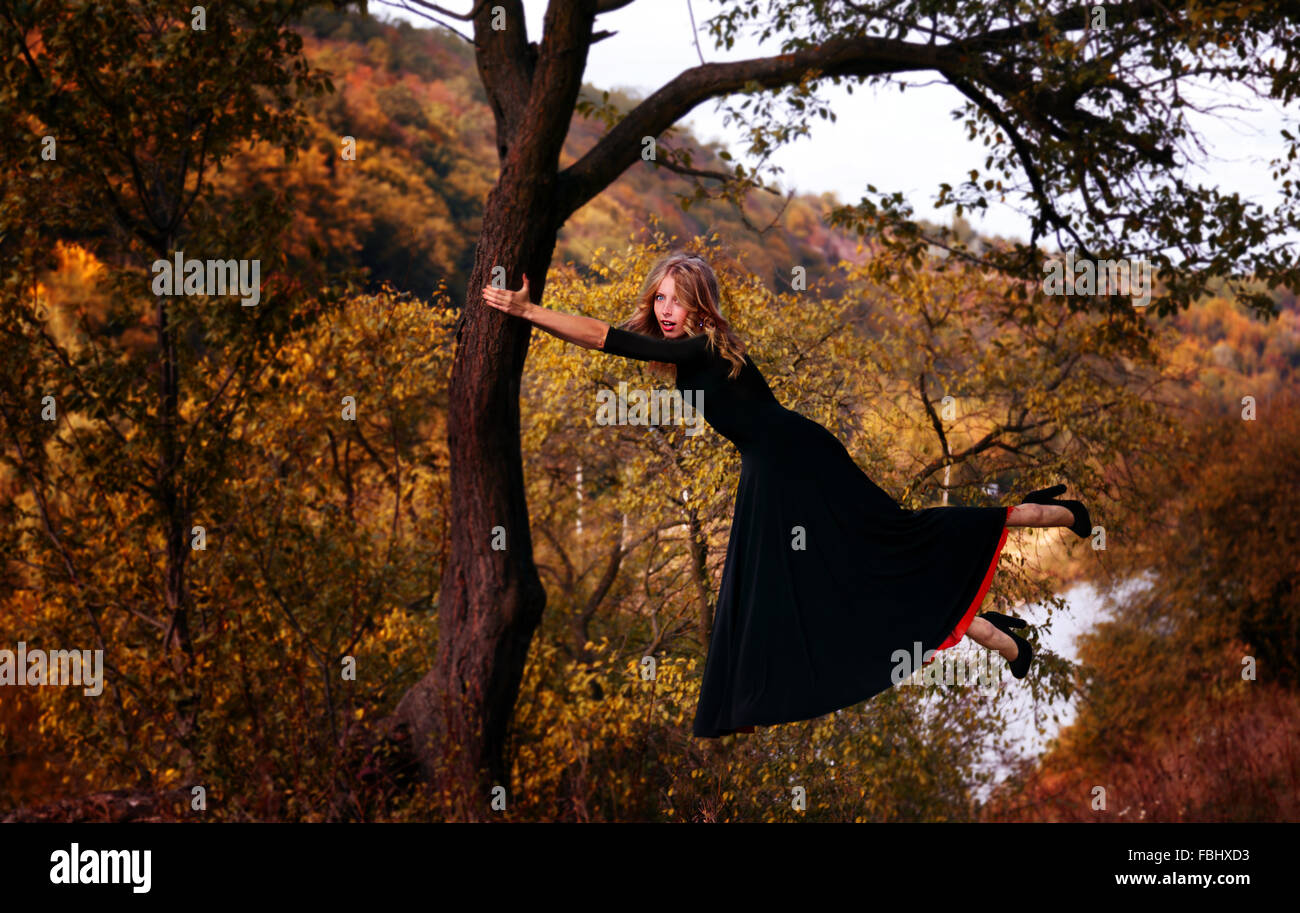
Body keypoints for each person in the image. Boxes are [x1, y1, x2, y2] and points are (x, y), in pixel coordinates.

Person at [481, 252, 1091, 738]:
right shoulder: (696, 351)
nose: (666, 310)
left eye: (677, 299)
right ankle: (1008, 635)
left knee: (893, 546)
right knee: (864, 579)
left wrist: (528, 311)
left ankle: (1059, 515)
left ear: (699, 305)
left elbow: (603, 336)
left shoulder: (701, 346)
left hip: (798, 464)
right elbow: (623, 339)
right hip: (771, 471)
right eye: (660, 298)